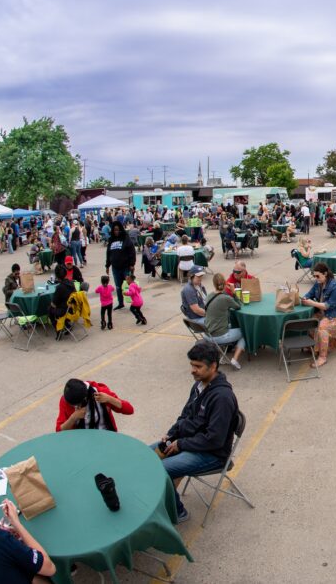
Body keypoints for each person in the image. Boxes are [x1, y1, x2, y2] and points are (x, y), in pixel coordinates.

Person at [153, 342, 240, 524]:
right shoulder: (198, 385)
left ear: (213, 366)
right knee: (146, 456)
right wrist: (171, 434)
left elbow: (215, 440)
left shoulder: (222, 398)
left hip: (212, 454)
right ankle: (163, 497)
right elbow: (185, 415)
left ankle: (177, 512)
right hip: (190, 441)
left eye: (198, 366)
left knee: (159, 470)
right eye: (192, 365)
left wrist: (181, 444)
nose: (193, 370)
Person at [300, 263, 336, 367]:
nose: (316, 278)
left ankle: (322, 357)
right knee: (308, 321)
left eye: (317, 276)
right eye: (314, 276)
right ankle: (315, 347)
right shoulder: (318, 283)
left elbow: (328, 306)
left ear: (325, 274)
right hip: (326, 313)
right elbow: (309, 294)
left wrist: (312, 303)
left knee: (322, 327)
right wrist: (305, 298)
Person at [55, 378, 134, 431]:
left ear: (85, 398)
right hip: (81, 440)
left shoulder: (100, 392)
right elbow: (59, 431)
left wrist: (110, 399)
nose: (75, 407)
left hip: (104, 435)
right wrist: (73, 418)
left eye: (76, 405)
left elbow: (130, 410)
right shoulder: (66, 400)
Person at [105, 221, 136, 310]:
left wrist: (132, 264)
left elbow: (132, 252)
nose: (116, 232)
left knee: (130, 285)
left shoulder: (126, 239)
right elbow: (108, 253)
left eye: (118, 230)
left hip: (126, 266)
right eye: (115, 230)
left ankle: (135, 301)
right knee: (118, 287)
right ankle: (120, 303)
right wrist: (107, 265)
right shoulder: (111, 240)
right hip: (115, 268)